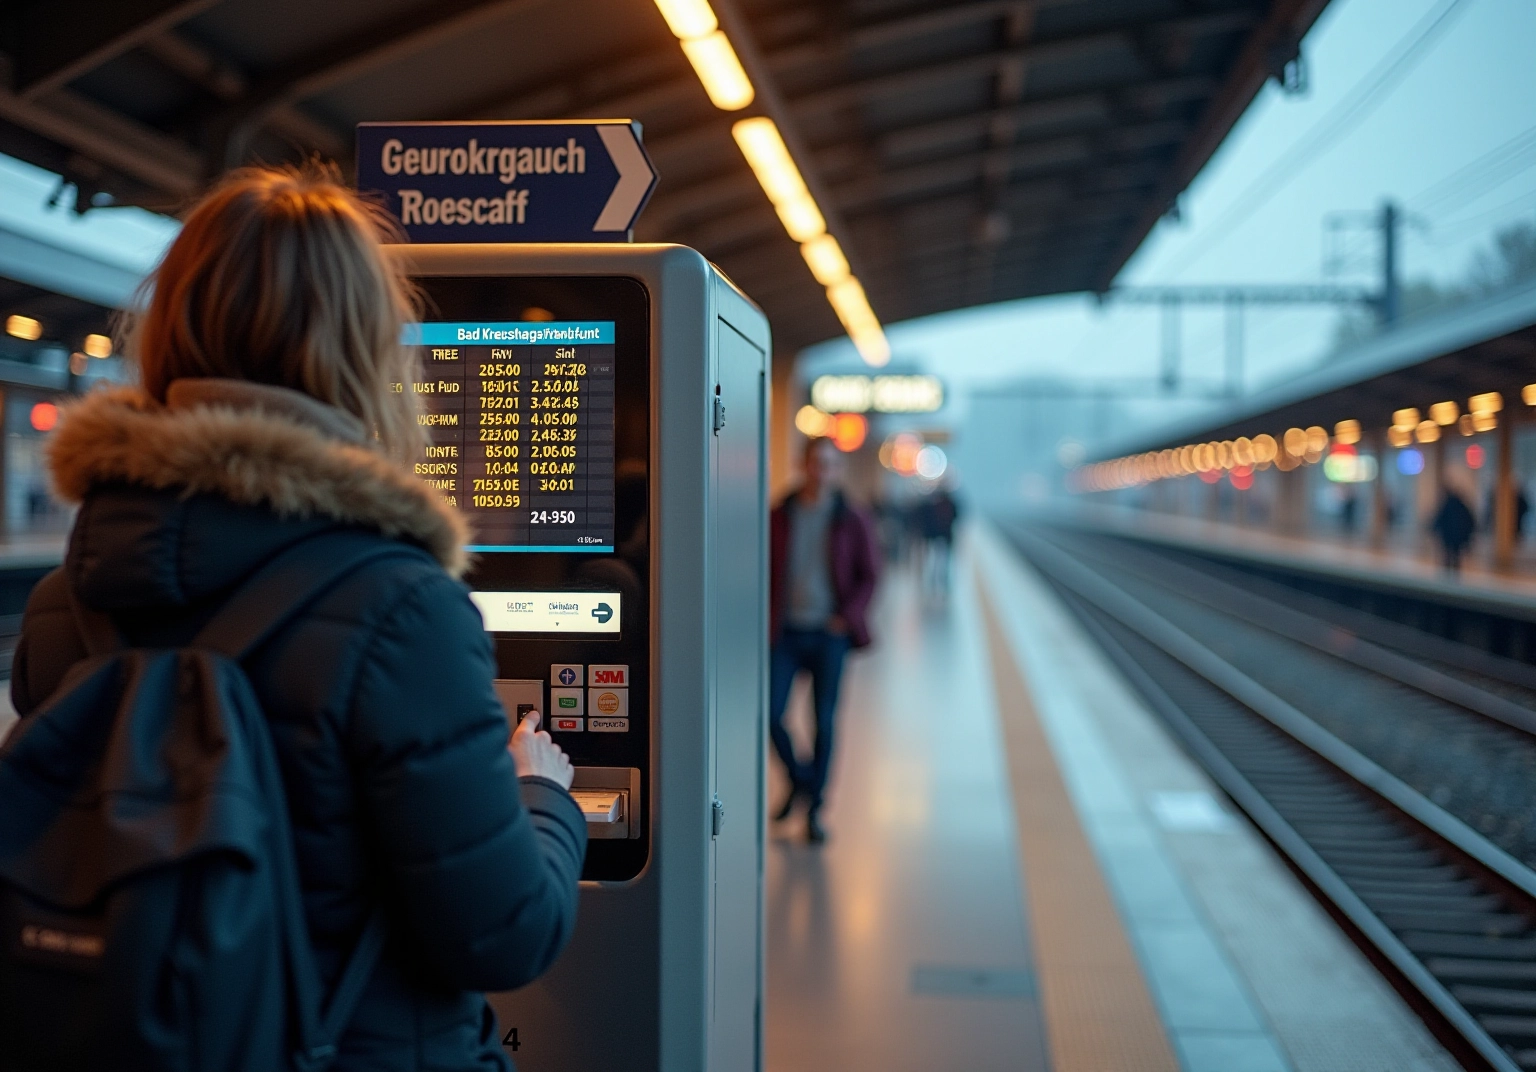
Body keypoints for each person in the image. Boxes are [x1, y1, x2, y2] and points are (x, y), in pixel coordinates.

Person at [7, 166, 586, 1070]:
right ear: (362, 348)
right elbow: (504, 935)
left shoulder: (67, 599)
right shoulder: (403, 609)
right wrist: (542, 796)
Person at [768, 437, 880, 843]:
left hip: (829, 635)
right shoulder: (781, 513)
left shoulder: (852, 517)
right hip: (786, 633)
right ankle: (801, 779)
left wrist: (846, 618)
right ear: (803, 464)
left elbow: (870, 574)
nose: (822, 470)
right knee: (770, 713)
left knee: (825, 721)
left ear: (838, 470)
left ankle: (815, 810)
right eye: (816, 462)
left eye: (830, 464)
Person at [1432, 483, 1476, 573]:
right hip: (1457, 536)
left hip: (1448, 536)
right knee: (1456, 555)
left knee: (1448, 554)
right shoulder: (1462, 506)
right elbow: (1470, 521)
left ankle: (1448, 572)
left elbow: (1440, 518)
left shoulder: (1447, 505)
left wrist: (1434, 528)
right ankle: (1455, 571)